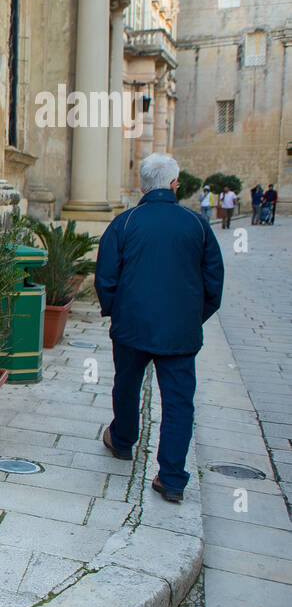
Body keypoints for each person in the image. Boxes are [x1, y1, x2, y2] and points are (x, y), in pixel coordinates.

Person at [96, 153, 224, 503]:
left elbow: (105, 278)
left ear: (142, 185)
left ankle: (122, 440)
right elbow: (214, 284)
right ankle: (171, 478)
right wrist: (192, 317)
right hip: (179, 332)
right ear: (174, 185)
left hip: (132, 327)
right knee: (179, 402)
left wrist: (115, 312)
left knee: (126, 385)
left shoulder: (124, 223)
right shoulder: (196, 224)